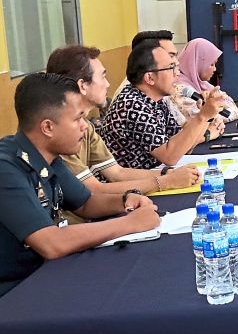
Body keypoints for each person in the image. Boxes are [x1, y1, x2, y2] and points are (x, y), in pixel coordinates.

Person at [0, 73, 161, 296]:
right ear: (47, 127)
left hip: (42, 277)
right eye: (77, 119)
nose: (85, 127)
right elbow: (51, 243)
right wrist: (130, 223)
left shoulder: (48, 156)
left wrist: (125, 200)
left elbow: (85, 203)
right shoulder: (6, 168)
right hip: (13, 294)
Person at [44, 45, 199, 211]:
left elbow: (117, 172)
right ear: (82, 85)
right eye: (102, 77)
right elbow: (93, 191)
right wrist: (165, 181)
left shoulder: (85, 125)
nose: (108, 84)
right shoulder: (60, 132)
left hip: (111, 202)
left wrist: (168, 174)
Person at [100, 40, 226, 170]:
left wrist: (207, 115)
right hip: (130, 186)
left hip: (152, 178)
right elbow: (170, 157)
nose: (177, 73)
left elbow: (183, 146)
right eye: (171, 68)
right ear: (149, 78)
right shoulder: (132, 104)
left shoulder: (157, 100)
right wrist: (203, 116)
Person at [168, 38, 238, 124]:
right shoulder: (179, 89)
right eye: (211, 64)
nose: (215, 69)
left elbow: (228, 101)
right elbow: (204, 118)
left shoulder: (203, 85)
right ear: (197, 63)